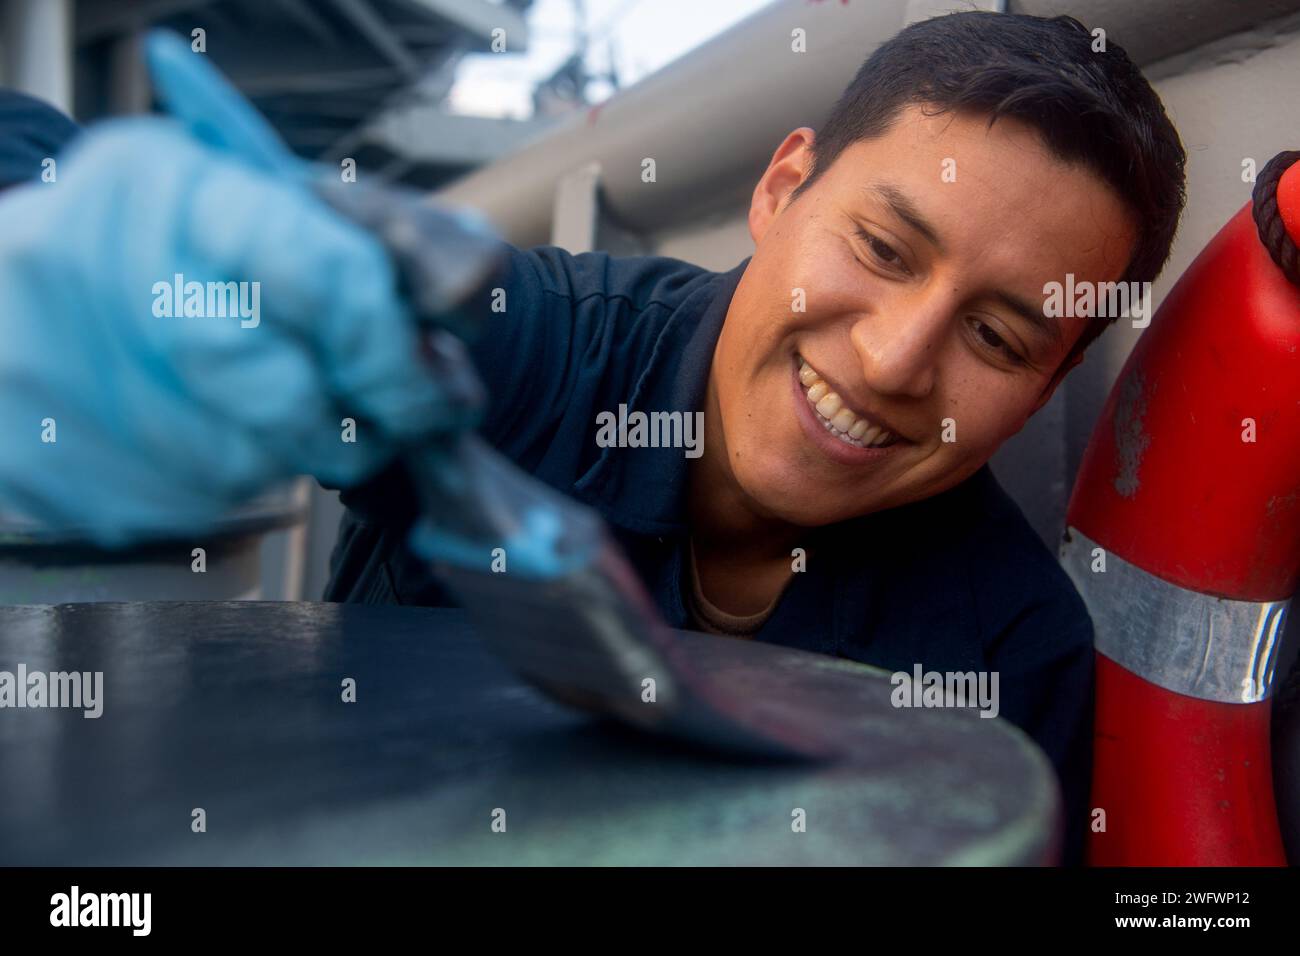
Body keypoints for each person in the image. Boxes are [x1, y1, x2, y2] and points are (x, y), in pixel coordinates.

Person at [0, 12, 1187, 865]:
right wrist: (110, 252)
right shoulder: (530, 343)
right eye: (880, 248)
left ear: (1051, 382)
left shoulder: (1013, 647)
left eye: (994, 335)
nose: (889, 361)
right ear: (781, 188)